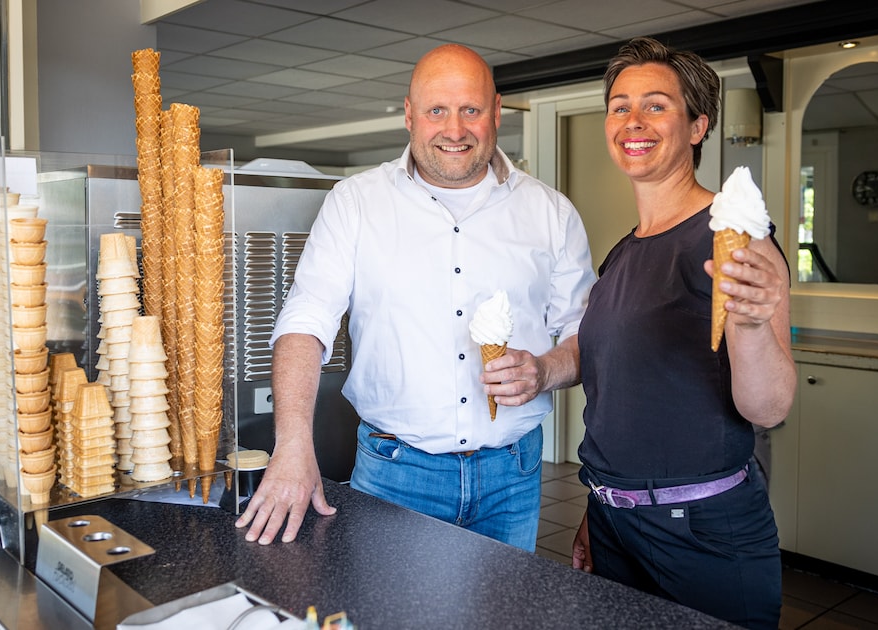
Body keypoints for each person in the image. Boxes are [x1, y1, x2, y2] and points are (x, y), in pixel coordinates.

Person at [234, 44, 596, 551]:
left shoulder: (551, 213)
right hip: (395, 473)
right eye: (436, 111)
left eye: (471, 109)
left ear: (496, 111)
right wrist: (292, 444)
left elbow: (585, 334)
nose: (455, 129)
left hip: (513, 475)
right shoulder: (356, 202)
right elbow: (305, 321)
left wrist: (545, 370)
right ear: (409, 114)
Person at [569, 37, 794, 630]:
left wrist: (751, 325)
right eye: (619, 106)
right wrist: (601, 506)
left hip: (702, 533)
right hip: (614, 521)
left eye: (656, 105)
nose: (633, 121)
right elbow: (622, 398)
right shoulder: (624, 251)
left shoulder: (735, 239)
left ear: (698, 126)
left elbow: (769, 407)